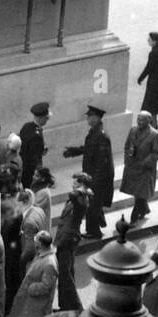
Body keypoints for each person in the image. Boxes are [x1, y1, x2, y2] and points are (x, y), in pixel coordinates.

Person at [62, 102, 113, 238]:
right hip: (91, 176)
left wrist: (93, 180)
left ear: (96, 118)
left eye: (90, 116)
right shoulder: (94, 133)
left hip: (97, 178)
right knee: (92, 204)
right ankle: (93, 229)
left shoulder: (101, 136)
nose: (87, 119)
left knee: (93, 205)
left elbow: (103, 162)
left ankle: (94, 232)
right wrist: (74, 151)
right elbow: (88, 149)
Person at [120, 111, 158, 222]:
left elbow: (156, 153)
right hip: (133, 166)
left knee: (139, 193)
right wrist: (127, 160)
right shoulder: (133, 130)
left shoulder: (154, 135)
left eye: (142, 120)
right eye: (138, 119)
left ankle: (134, 219)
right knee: (138, 193)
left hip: (145, 170)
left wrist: (144, 163)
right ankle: (144, 209)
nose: (139, 122)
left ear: (149, 121)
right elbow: (127, 146)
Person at [10, 230, 57, 317]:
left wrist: (30, 287)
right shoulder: (41, 253)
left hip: (38, 305)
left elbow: (46, 287)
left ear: (40, 243)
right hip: (31, 300)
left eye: (35, 239)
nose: (34, 241)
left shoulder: (49, 264)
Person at [137, 32, 158, 128]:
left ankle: (153, 127)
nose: (148, 41)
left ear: (154, 41)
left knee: (150, 107)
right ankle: (154, 125)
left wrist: (140, 78)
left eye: (150, 40)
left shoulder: (153, 53)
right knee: (155, 107)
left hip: (153, 84)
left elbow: (149, 68)